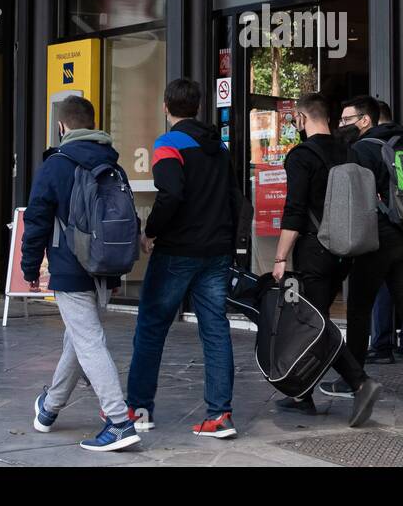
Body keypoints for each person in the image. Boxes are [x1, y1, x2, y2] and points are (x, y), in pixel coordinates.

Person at [22, 95, 140, 453]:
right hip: (103, 268)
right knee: (78, 340)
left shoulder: (56, 165)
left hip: (70, 268)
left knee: (88, 342)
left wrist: (30, 268)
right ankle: (49, 408)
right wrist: (116, 276)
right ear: (92, 124)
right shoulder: (112, 163)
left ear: (62, 126)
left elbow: (37, 220)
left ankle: (118, 422)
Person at [127, 78, 241, 438]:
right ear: (198, 106)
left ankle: (139, 409)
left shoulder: (168, 144)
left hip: (177, 252)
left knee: (151, 327)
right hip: (217, 251)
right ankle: (220, 414)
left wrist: (150, 232)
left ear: (166, 107)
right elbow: (235, 197)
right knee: (215, 329)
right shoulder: (219, 148)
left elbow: (170, 195)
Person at [322, 95, 403, 408]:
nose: (341, 126)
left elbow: (356, 203)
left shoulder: (363, 150)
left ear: (365, 120)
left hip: (380, 240)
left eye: (346, 119)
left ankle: (353, 380)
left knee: (358, 307)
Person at [270, 92, 382, 426]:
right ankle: (302, 394)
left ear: (302, 119)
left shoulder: (301, 156)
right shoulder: (348, 151)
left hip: (314, 249)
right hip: (345, 249)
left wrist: (279, 258)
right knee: (315, 317)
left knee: (314, 322)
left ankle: (360, 382)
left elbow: (294, 211)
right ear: (329, 119)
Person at [364, 101, 403, 364]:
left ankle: (381, 345)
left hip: (384, 227)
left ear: (371, 119)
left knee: (381, 287)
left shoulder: (370, 146)